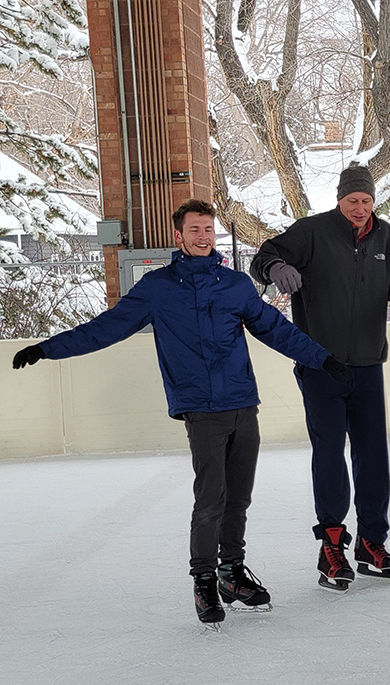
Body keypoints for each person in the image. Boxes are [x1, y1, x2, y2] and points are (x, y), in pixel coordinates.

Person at [11, 199, 341, 625]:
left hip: (242, 401)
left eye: (208, 230)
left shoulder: (235, 285)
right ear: (178, 236)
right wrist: (46, 349)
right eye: (195, 230)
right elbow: (106, 328)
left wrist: (323, 359)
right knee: (211, 498)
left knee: (238, 498)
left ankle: (231, 572)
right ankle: (204, 579)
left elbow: (276, 330)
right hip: (200, 408)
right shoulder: (158, 288)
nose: (203, 237)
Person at [249, 166, 390, 593]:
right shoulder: (312, 232)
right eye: (353, 201)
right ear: (340, 199)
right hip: (320, 364)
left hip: (368, 364)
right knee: (329, 454)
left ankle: (372, 542)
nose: (360, 209)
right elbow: (263, 256)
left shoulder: (387, 237)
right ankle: (331, 544)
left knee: (373, 456)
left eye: (366, 201)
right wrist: (275, 267)